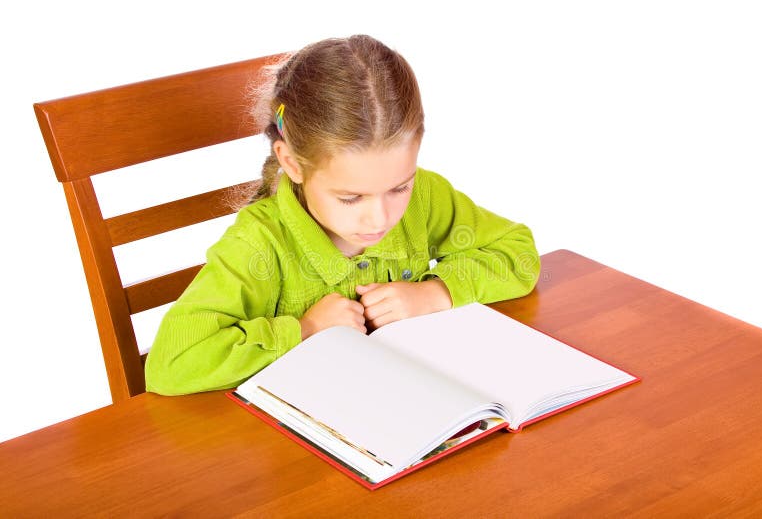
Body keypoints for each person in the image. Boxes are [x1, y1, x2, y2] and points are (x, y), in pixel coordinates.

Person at [145, 35, 540, 395]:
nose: (379, 219)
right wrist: (305, 329)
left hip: (404, 405)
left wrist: (435, 293)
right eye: (351, 198)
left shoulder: (426, 198)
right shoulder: (259, 245)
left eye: (399, 187)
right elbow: (171, 365)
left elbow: (517, 252)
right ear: (292, 164)